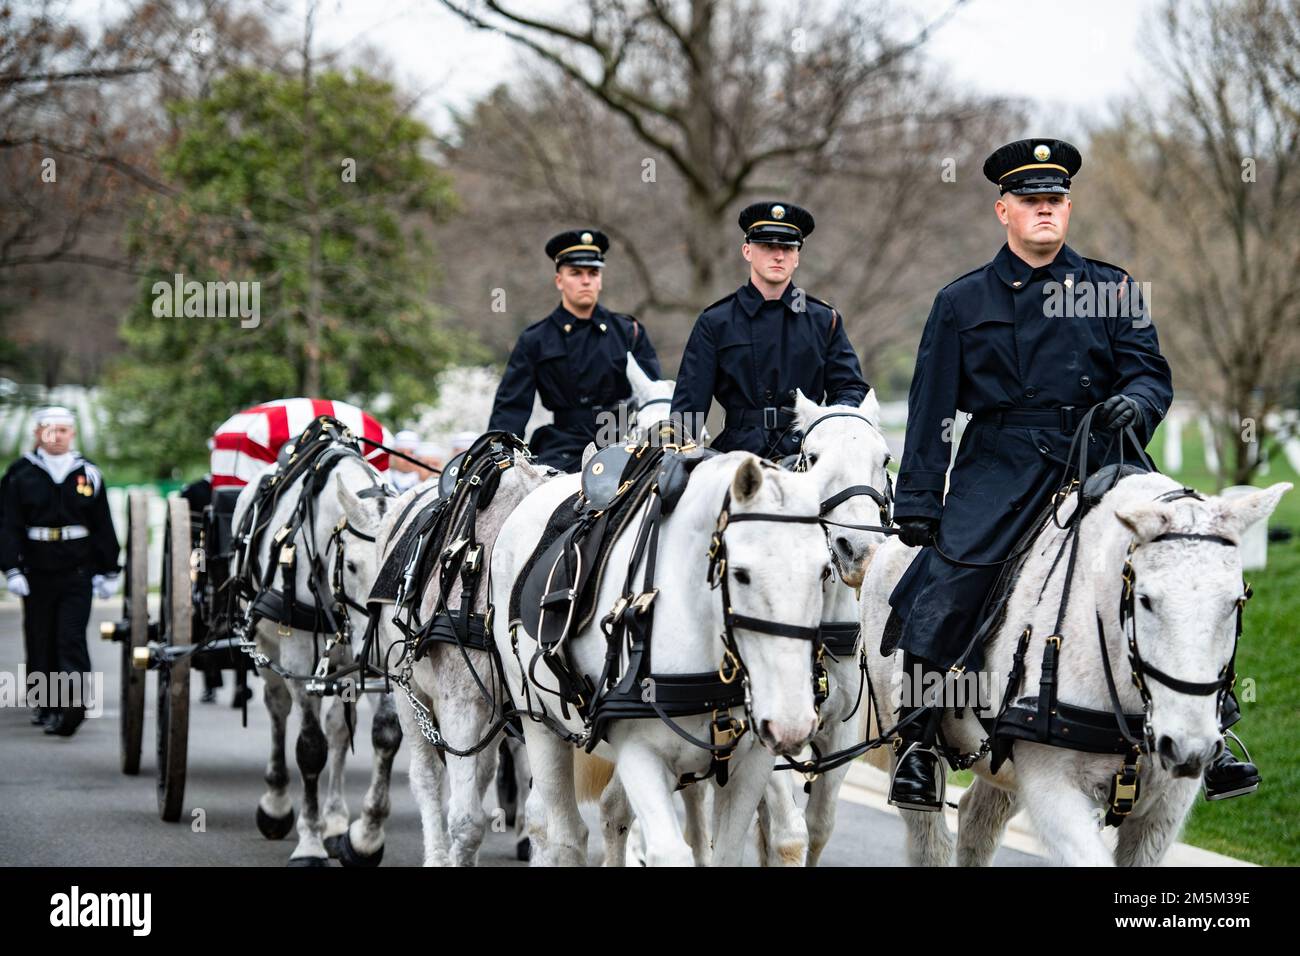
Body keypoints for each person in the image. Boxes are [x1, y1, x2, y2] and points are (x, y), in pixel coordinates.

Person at [885, 137, 1251, 810]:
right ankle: (918, 739)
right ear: (1004, 211)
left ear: (1069, 208)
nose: (1044, 210)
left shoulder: (1112, 290)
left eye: (1054, 201)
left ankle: (1216, 726)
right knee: (953, 578)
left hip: (1102, 456)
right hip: (1000, 464)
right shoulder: (961, 301)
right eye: (1031, 201)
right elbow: (930, 407)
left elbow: (1150, 374)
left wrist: (1134, 404)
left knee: (1188, 567)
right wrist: (919, 498)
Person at [670, 201, 869, 459]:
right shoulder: (716, 321)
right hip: (736, 457)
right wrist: (677, 461)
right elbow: (688, 411)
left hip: (807, 453)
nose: (778, 255)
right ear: (747, 251)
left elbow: (850, 389)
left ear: (797, 256)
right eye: (767, 246)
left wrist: (829, 430)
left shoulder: (823, 319)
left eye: (787, 247)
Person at [488, 229, 662, 472]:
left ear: (600, 279)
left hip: (624, 443)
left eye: (593, 273)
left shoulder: (628, 332)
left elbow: (654, 394)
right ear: (559, 280)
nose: (586, 280)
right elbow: (511, 409)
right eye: (576, 273)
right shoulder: (536, 339)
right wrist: (498, 458)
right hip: (562, 448)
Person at [1, 406, 120, 736]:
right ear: (38, 433)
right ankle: (45, 704)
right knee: (41, 638)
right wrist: (11, 568)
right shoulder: (21, 473)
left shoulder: (87, 473)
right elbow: (8, 524)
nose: (56, 436)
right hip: (37, 570)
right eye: (49, 429)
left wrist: (109, 569)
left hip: (76, 570)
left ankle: (73, 706)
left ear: (72, 434)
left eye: (63, 430)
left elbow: (102, 523)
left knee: (70, 637)